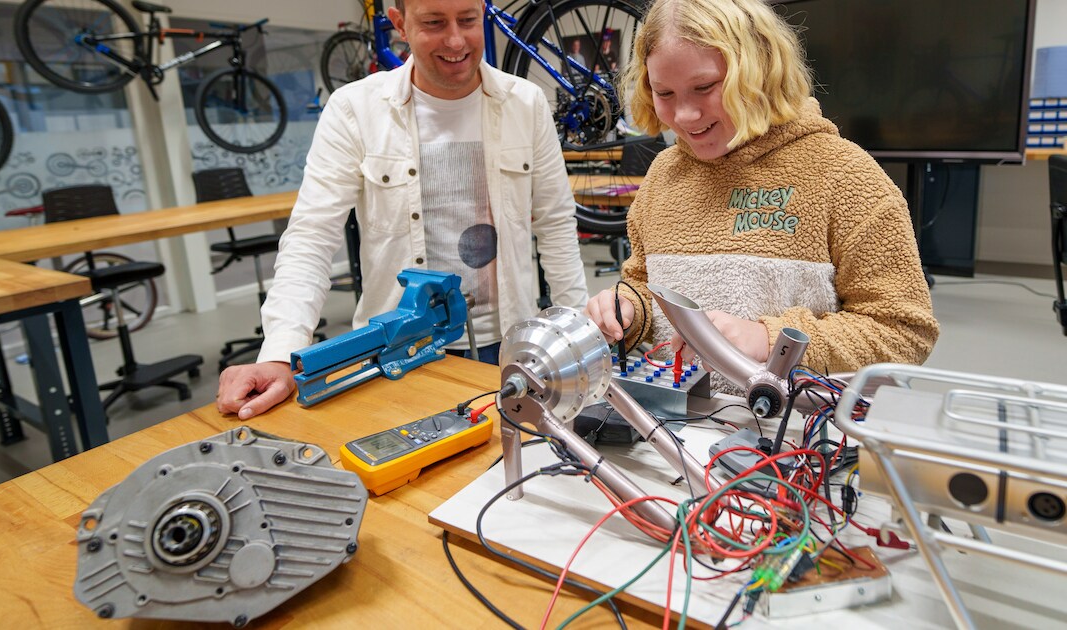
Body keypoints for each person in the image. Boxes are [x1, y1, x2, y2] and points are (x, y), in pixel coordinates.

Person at [217, 0, 589, 420]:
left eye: (468, 20)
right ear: (400, 25)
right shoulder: (354, 110)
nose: (456, 40)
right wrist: (280, 353)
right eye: (433, 23)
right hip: (396, 354)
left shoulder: (526, 103)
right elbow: (311, 238)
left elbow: (556, 225)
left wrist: (576, 336)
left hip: (511, 348)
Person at [584, 0, 938, 385]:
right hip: (677, 429)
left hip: (798, 429)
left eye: (704, 87)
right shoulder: (662, 177)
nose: (684, 116)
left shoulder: (844, 174)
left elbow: (905, 331)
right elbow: (643, 284)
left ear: (761, 70)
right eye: (664, 92)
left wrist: (771, 341)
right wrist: (628, 309)